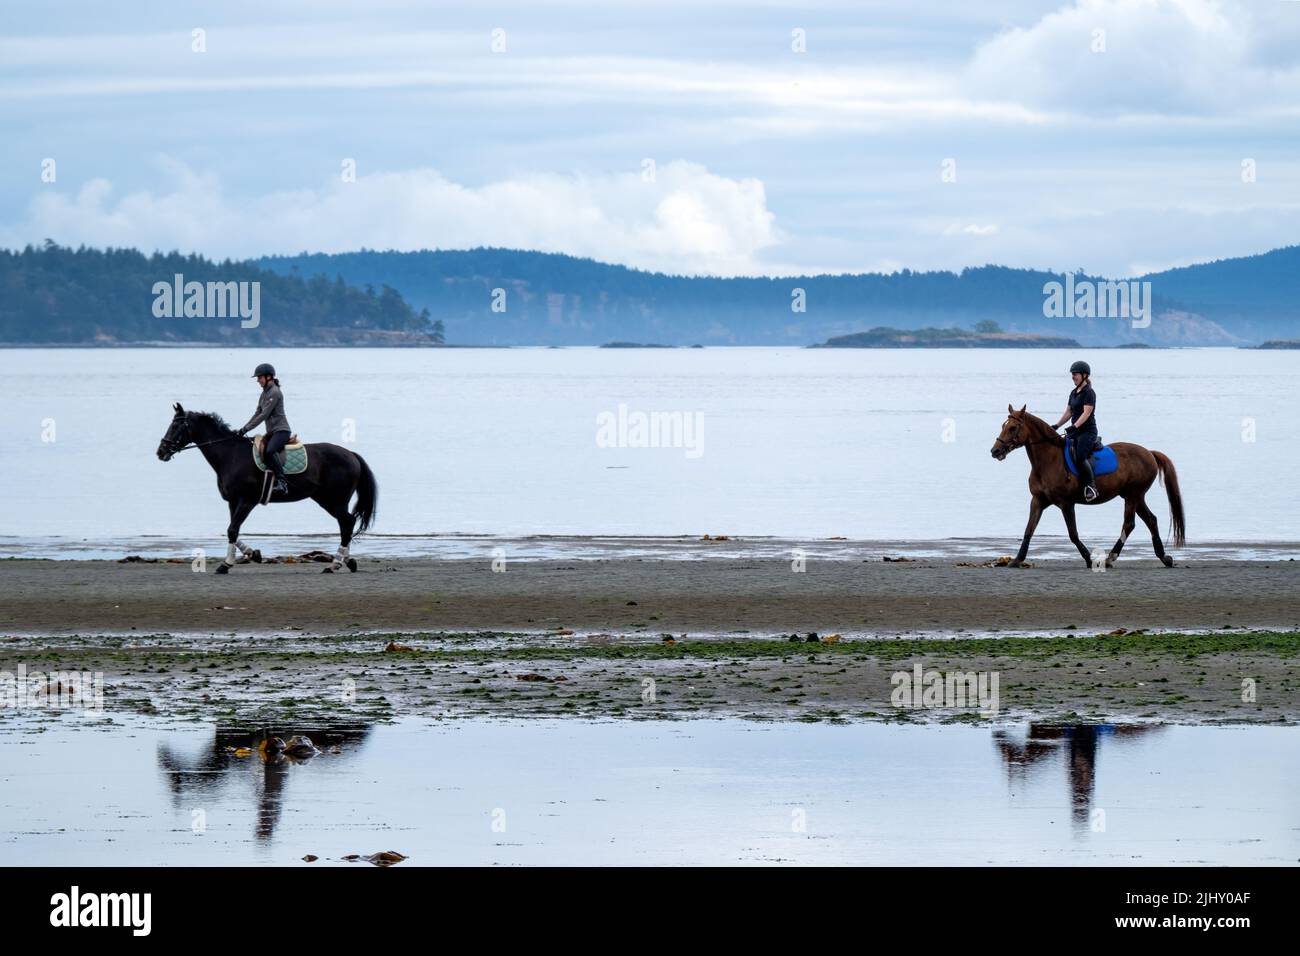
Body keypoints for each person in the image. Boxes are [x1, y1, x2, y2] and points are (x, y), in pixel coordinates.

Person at [238, 363, 292, 495]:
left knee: (269, 451)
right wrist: (243, 429)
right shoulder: (264, 393)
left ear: (269, 377)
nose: (257, 380)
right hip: (272, 432)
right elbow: (257, 413)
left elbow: (264, 415)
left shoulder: (275, 392)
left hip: (282, 431)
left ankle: (282, 482)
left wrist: (246, 429)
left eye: (259, 377)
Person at [1052, 360, 1099, 502]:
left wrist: (1075, 426)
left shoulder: (1089, 393)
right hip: (1075, 432)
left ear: (1084, 375)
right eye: (1072, 374)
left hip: (1087, 432)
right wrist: (1056, 425)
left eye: (1075, 374)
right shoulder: (1073, 392)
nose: (1073, 376)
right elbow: (1068, 412)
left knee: (1079, 457)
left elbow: (1087, 413)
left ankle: (1091, 487)